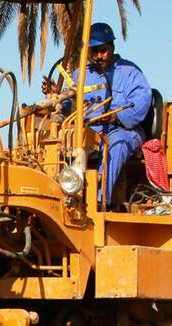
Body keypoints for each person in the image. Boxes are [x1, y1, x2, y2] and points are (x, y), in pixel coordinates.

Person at [44, 22, 151, 206]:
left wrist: (117, 117)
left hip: (122, 130)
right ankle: (56, 198)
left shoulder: (130, 73)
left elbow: (141, 104)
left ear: (112, 47)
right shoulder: (81, 75)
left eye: (103, 50)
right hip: (88, 133)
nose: (99, 56)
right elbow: (71, 107)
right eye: (94, 51)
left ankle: (101, 201)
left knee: (116, 144)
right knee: (58, 142)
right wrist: (57, 95)